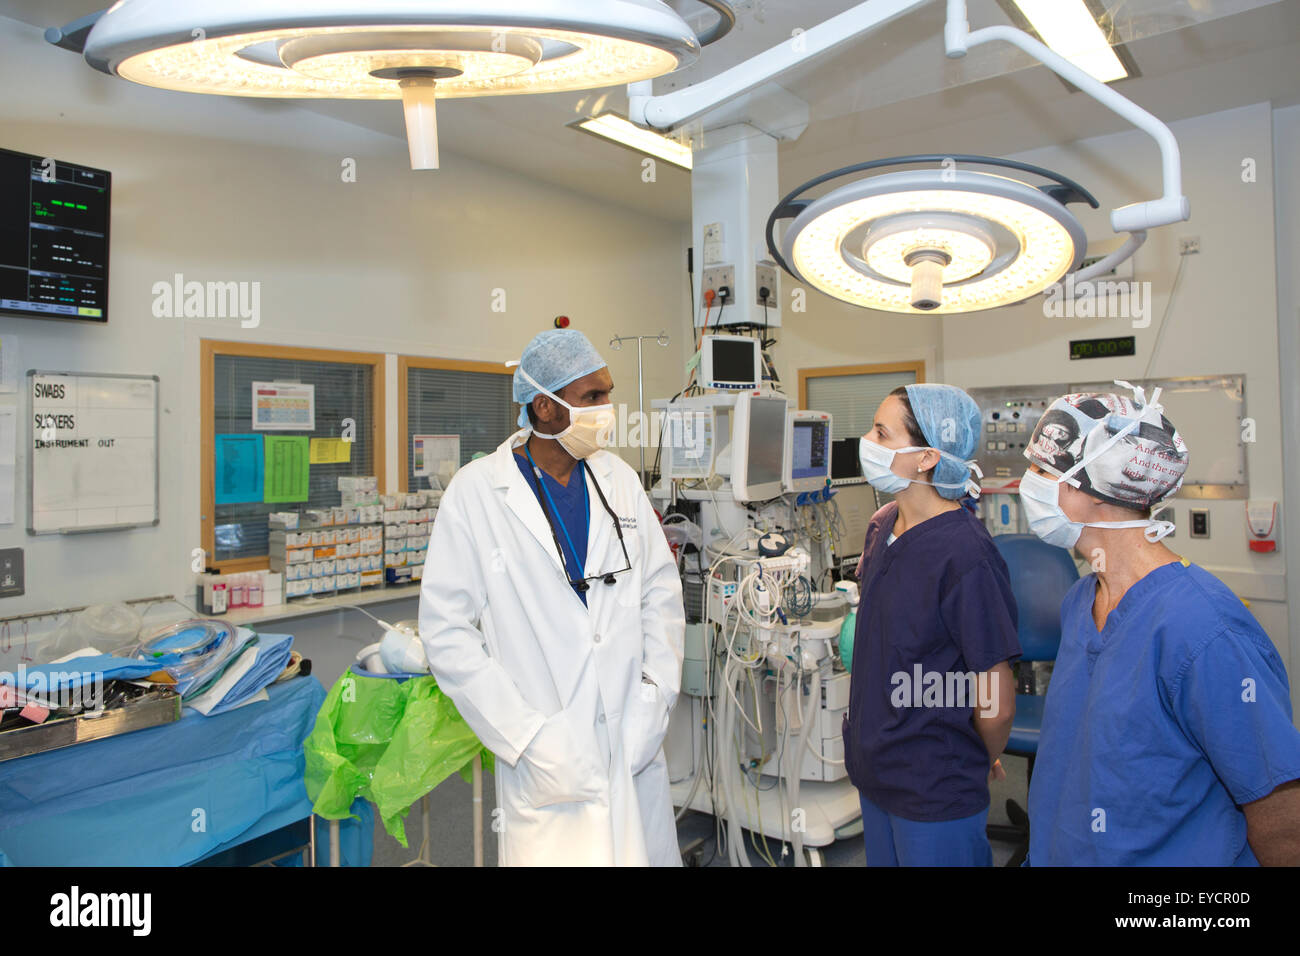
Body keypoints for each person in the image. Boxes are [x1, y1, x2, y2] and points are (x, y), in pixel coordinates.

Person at [418, 328, 685, 866]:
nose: (607, 410)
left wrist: (654, 699)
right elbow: (446, 634)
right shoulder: (476, 494)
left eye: (608, 394)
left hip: (633, 735)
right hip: (547, 759)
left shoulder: (619, 479)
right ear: (545, 405)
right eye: (593, 397)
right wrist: (527, 738)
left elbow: (661, 595)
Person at [1021, 382, 1300, 865]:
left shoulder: (1204, 629)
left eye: (1042, 469)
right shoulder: (1081, 599)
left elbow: (1279, 812)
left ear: (1096, 489)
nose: (1028, 481)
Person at [844, 384, 1020, 866]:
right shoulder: (883, 526)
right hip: (876, 772)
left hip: (933, 784)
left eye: (882, 432)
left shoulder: (966, 555)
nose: (867, 440)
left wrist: (973, 755)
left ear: (925, 457)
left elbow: (996, 701)